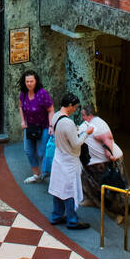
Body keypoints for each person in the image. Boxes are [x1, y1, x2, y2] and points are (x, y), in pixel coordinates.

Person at [47, 93, 93, 231]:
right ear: (70, 105)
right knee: (70, 190)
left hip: (59, 157)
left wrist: (75, 132)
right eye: (75, 107)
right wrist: (86, 133)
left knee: (58, 188)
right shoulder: (68, 123)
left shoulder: (55, 116)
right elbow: (76, 144)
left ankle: (56, 216)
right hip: (69, 161)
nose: (75, 109)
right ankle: (72, 220)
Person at [79, 104, 130, 222]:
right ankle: (93, 200)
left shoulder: (98, 124)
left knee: (116, 188)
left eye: (83, 115)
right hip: (94, 162)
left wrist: (110, 153)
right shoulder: (88, 124)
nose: (82, 117)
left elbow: (108, 138)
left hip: (109, 161)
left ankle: (121, 212)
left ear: (89, 115)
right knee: (91, 182)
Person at [19, 70, 54, 183]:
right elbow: (20, 107)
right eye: (27, 81)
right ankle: (36, 174)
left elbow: (51, 110)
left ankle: (46, 174)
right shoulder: (23, 93)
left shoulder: (42, 94)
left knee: (41, 152)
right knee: (28, 151)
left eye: (31, 81)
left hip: (43, 126)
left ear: (36, 81)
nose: (29, 84)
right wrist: (23, 121)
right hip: (30, 126)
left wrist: (51, 126)